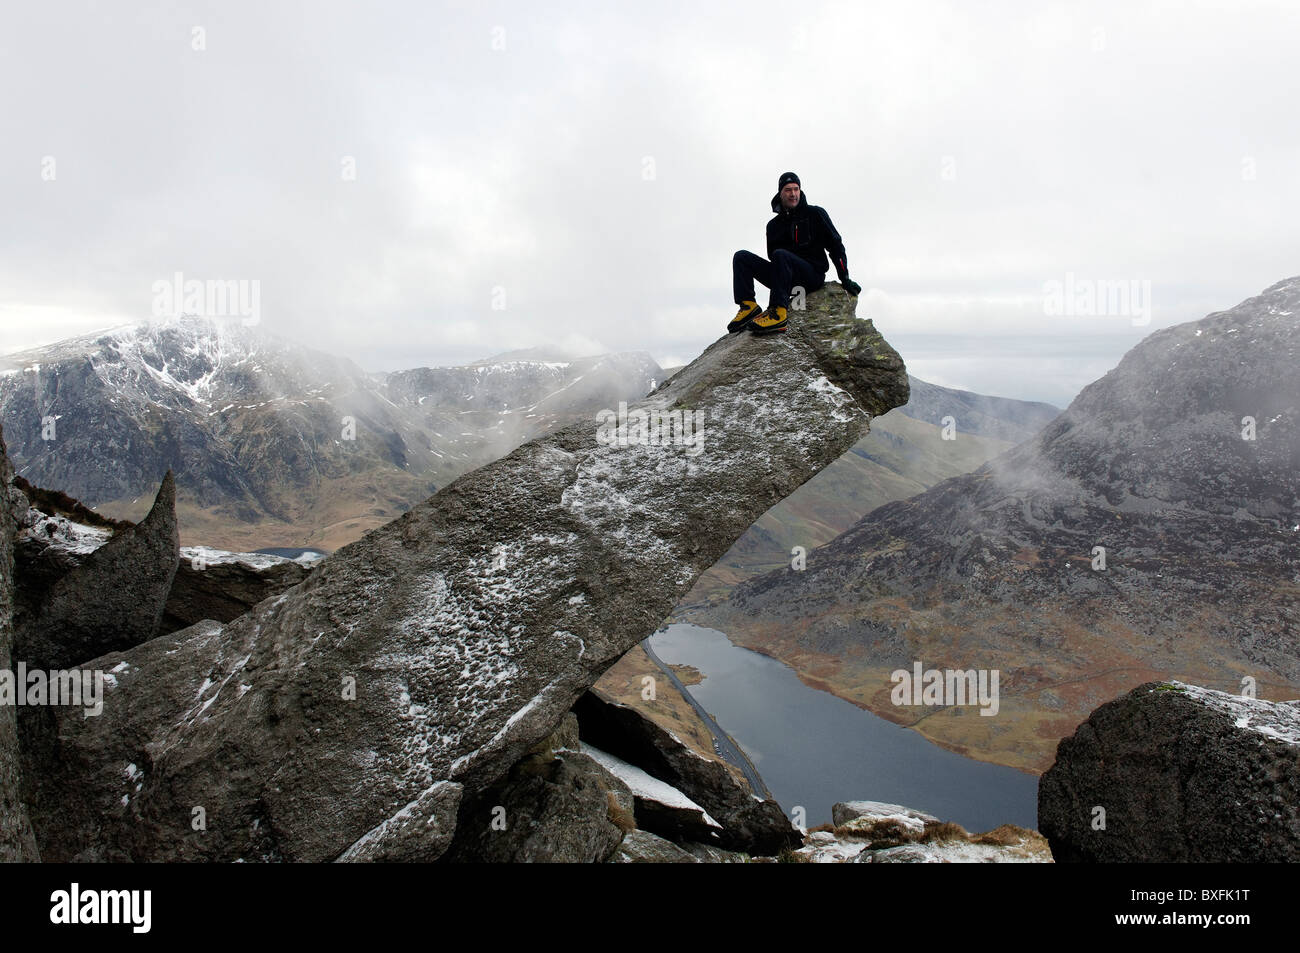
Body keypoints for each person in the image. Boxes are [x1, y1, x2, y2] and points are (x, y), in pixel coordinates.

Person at [730, 172, 862, 335]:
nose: (793, 194)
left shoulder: (815, 214)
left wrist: (845, 277)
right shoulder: (773, 226)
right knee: (741, 257)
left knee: (781, 254)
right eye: (787, 190)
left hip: (811, 276)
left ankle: (778, 313)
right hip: (784, 276)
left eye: (796, 189)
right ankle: (748, 306)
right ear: (780, 193)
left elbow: (835, 246)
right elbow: (774, 258)